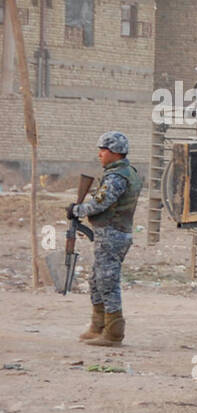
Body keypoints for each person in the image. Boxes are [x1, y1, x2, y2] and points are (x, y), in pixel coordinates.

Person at [70, 131, 142, 346]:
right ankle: (98, 325)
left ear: (115, 153)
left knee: (107, 281)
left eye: (104, 150)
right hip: (111, 233)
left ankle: (113, 332)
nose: (100, 154)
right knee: (96, 279)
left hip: (113, 233)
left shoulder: (117, 177)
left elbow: (100, 203)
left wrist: (78, 210)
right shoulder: (124, 172)